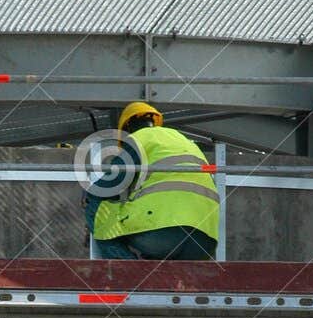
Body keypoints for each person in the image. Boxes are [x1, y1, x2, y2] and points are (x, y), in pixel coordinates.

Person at [84, 101, 219, 261]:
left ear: (127, 128)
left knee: (93, 202)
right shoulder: (183, 140)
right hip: (204, 241)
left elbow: (109, 186)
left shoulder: (138, 138)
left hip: (163, 235)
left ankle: (129, 271)